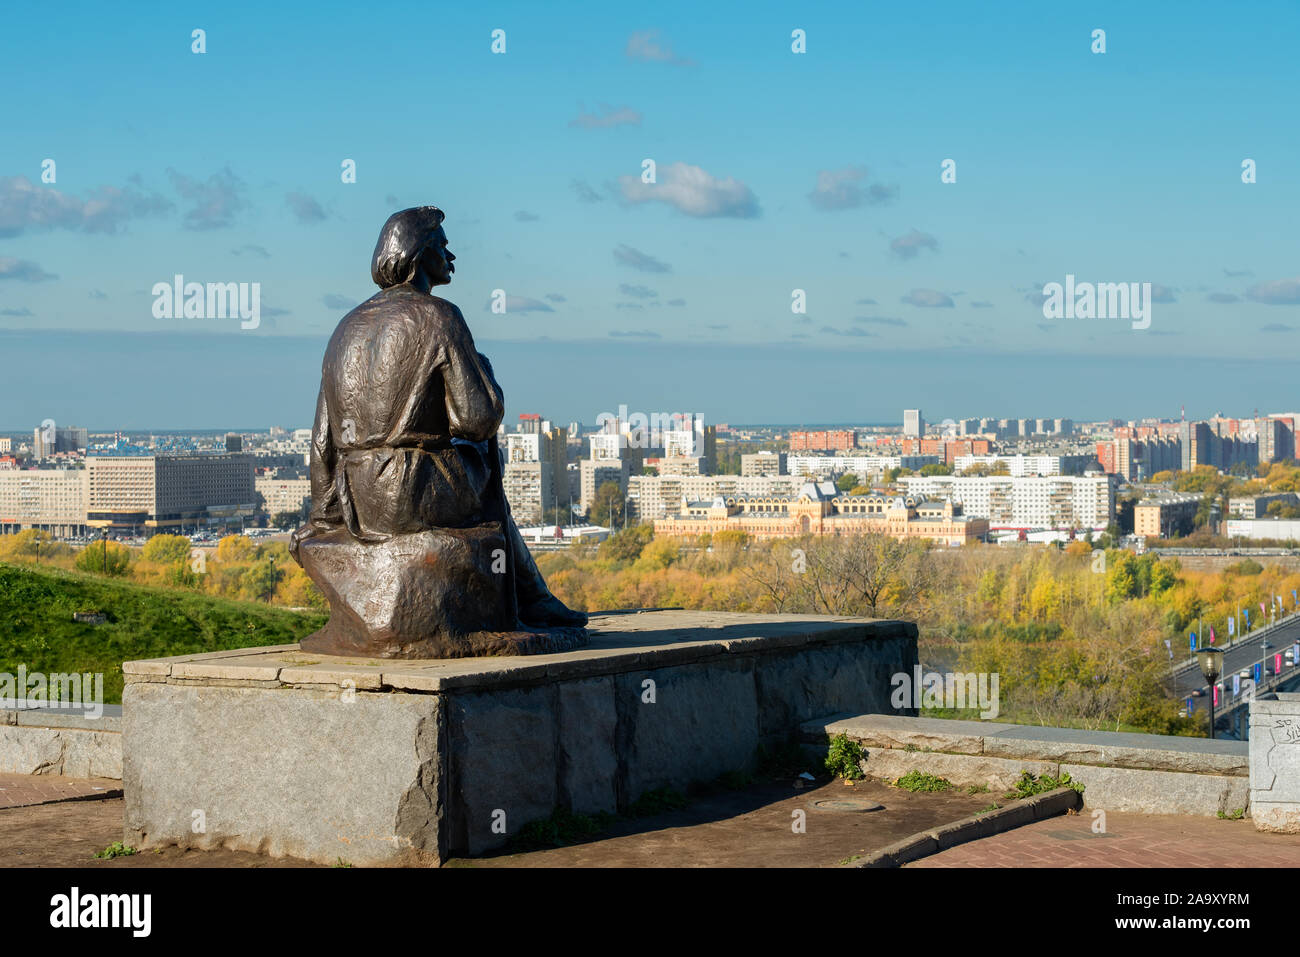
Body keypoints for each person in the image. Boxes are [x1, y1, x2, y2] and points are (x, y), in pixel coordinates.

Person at [291, 206, 586, 630]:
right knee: (484, 455)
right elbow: (478, 420)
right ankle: (531, 596)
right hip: (413, 489)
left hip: (360, 499)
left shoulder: (345, 328)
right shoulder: (440, 316)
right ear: (419, 254)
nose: (451, 256)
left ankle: (531, 595)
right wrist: (485, 374)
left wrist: (323, 518)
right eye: (442, 246)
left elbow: (323, 442)